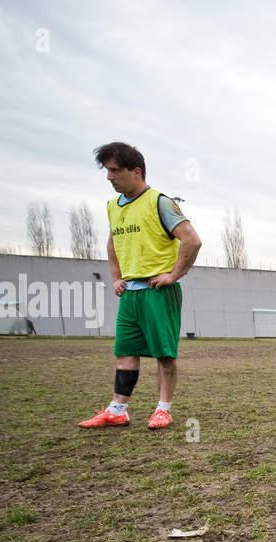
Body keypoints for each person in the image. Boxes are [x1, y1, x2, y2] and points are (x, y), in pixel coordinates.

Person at [80, 142, 202, 429]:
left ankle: (163, 409)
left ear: (136, 171)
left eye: (114, 170)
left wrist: (172, 275)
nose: (109, 177)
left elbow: (192, 240)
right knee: (125, 352)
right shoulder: (113, 207)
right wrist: (115, 276)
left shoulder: (160, 202)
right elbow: (113, 243)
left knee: (164, 353)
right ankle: (117, 409)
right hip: (130, 294)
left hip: (158, 291)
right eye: (107, 171)